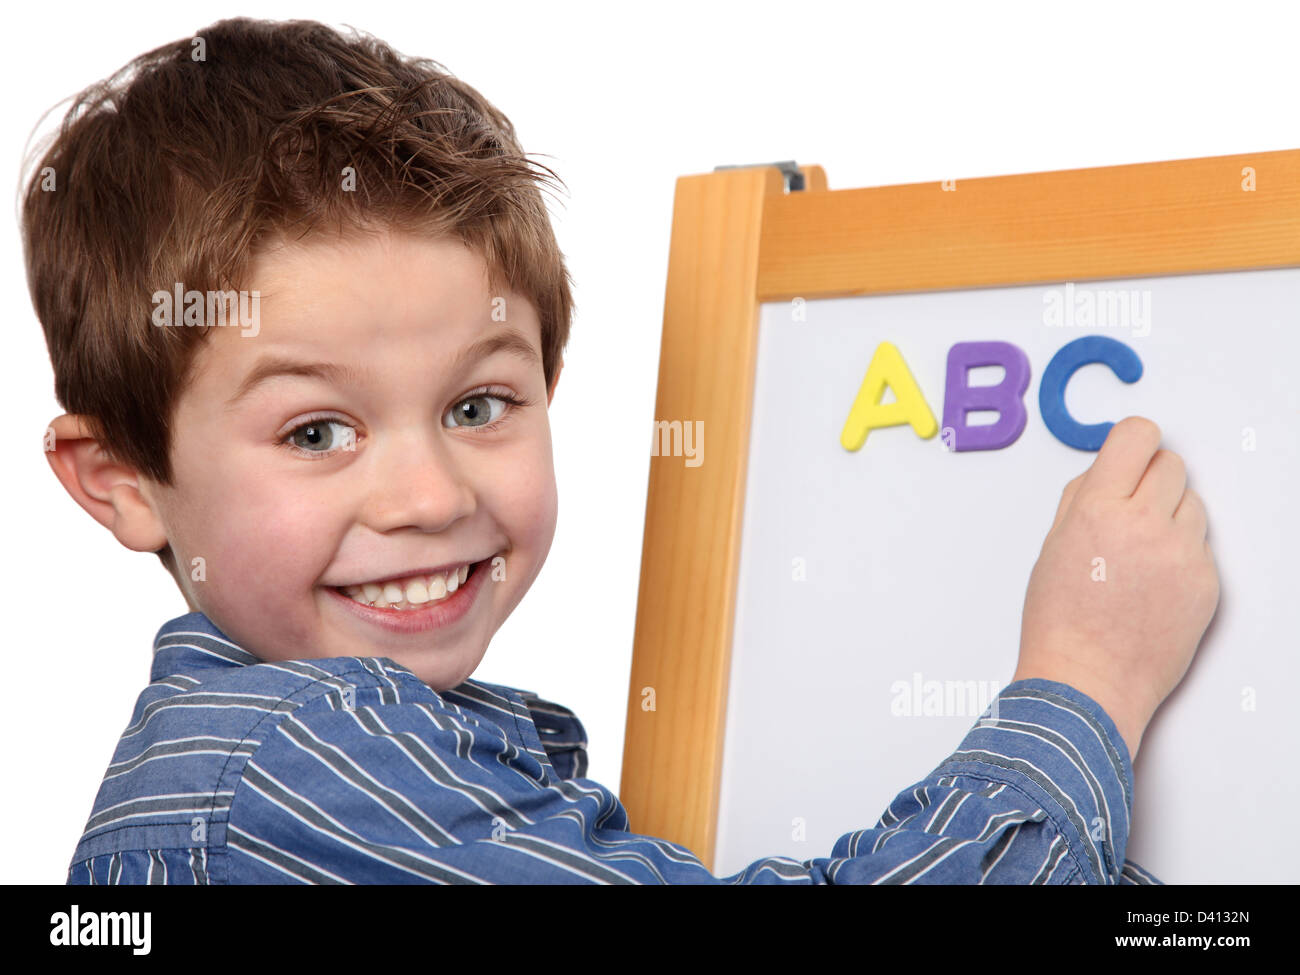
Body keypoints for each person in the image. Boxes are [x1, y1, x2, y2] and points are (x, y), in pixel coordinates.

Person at [26, 17, 1218, 884]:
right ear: (120, 477)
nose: (430, 495)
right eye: (317, 431)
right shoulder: (304, 771)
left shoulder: (323, 771)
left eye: (479, 405)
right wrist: (1085, 686)